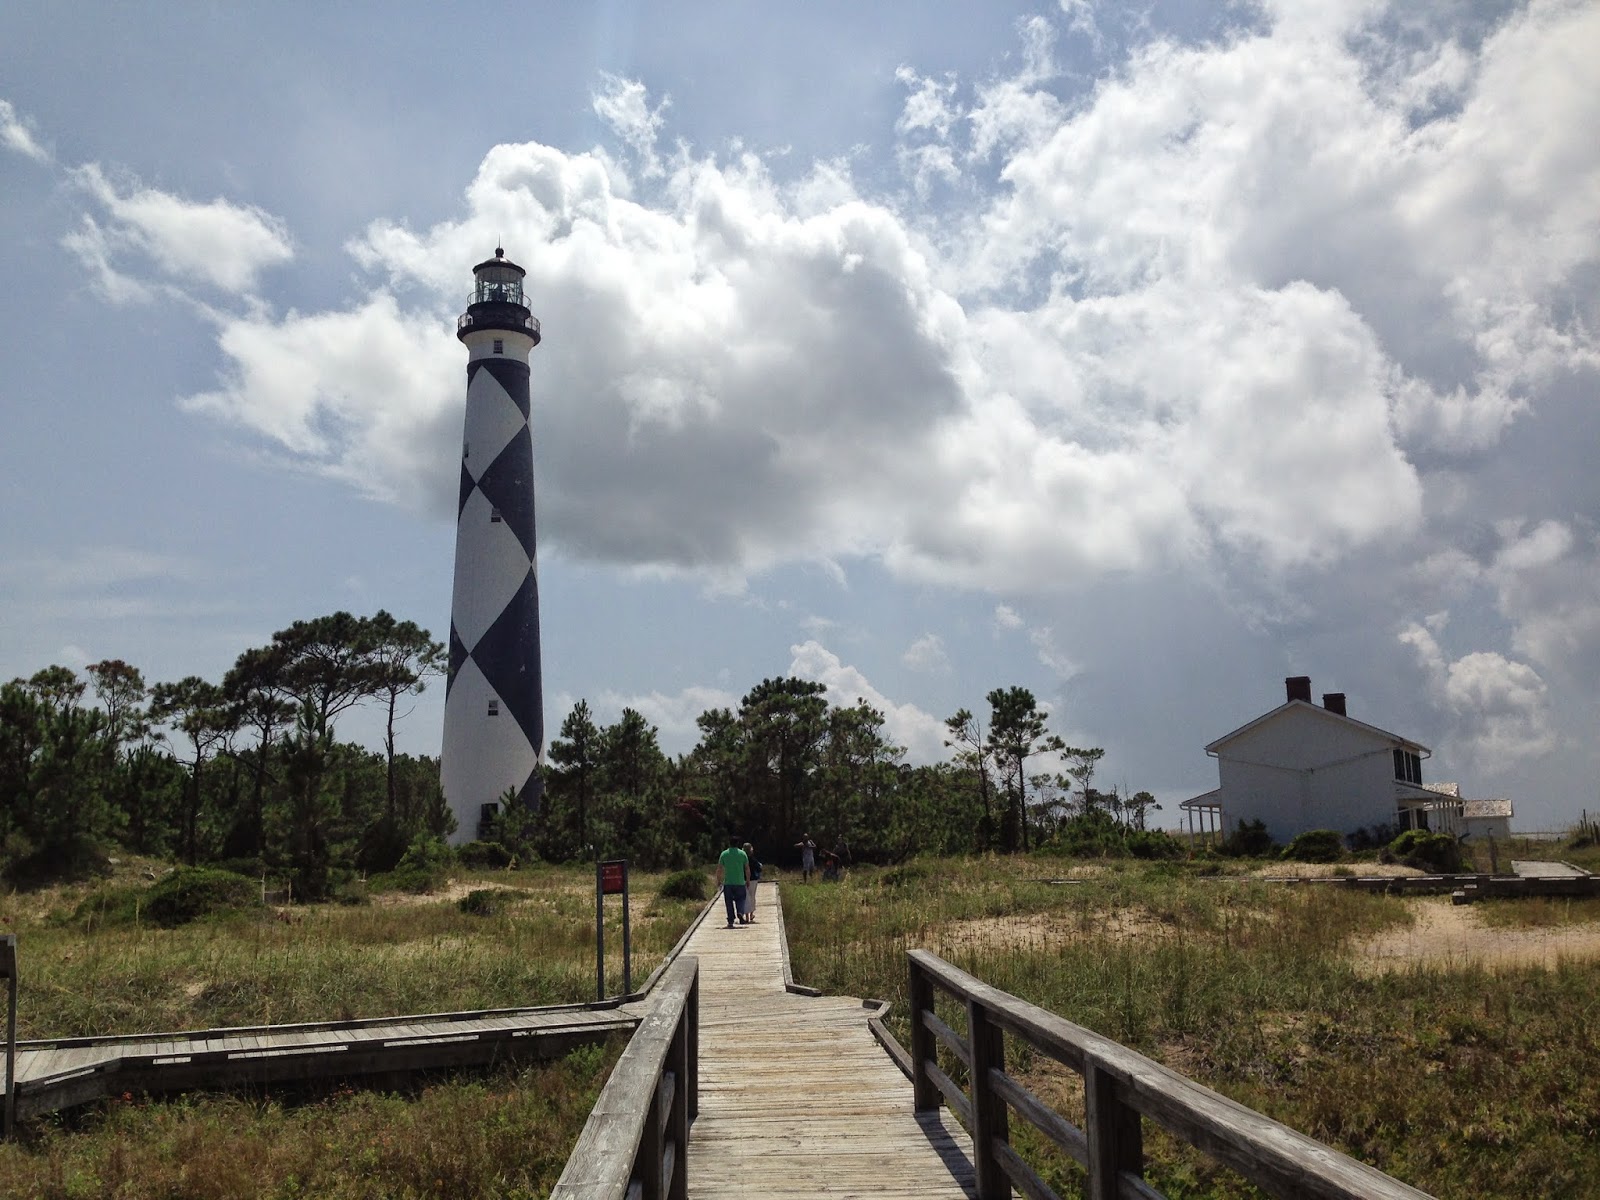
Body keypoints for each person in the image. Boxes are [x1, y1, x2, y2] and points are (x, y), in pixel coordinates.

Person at [716, 835, 749, 929]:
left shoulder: (724, 854)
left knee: (729, 902)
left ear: (729, 843)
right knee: (741, 899)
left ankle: (730, 920)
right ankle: (740, 912)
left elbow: (719, 869)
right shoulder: (742, 854)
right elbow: (747, 868)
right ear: (738, 843)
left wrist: (718, 880)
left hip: (728, 883)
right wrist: (747, 880)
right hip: (740, 882)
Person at [740, 842, 762, 923]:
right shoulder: (753, 859)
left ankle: (746, 917)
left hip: (743, 879)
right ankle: (751, 914)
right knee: (752, 896)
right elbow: (759, 869)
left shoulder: (742, 859)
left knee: (745, 898)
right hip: (753, 879)